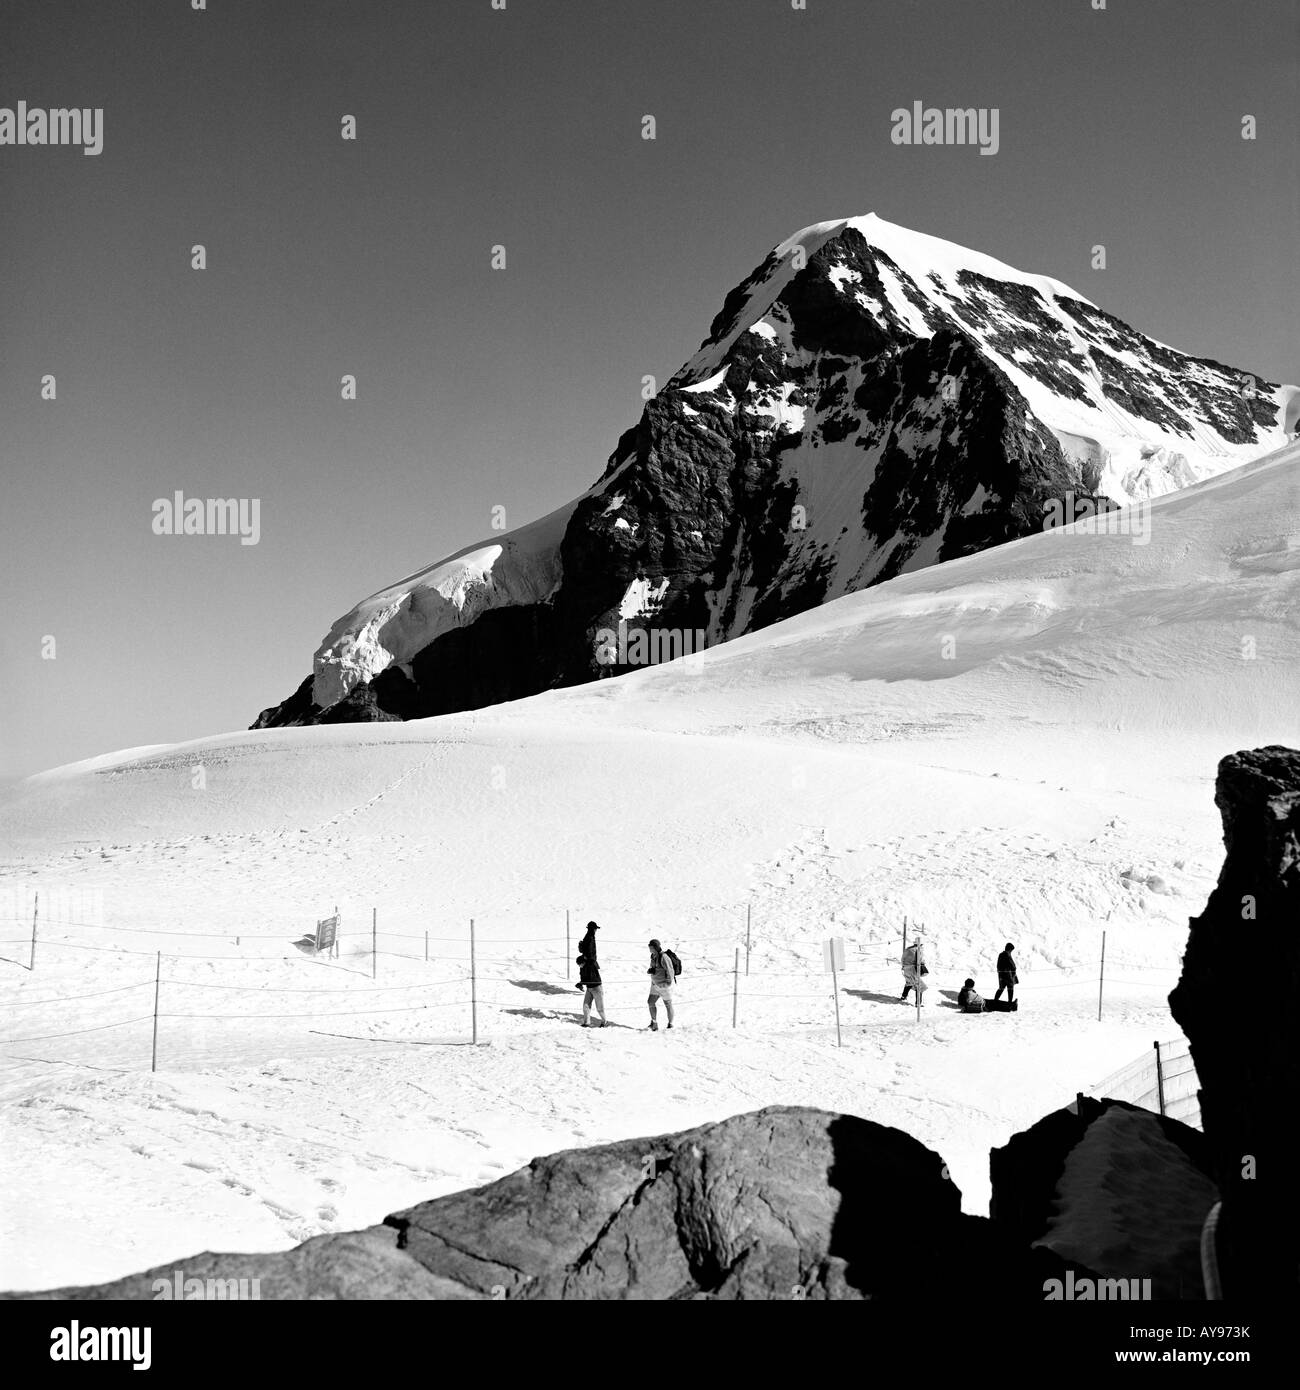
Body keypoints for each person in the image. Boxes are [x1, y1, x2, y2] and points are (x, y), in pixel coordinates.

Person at [576, 920, 607, 1027]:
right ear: (593, 929)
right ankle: (587, 1022)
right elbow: (591, 954)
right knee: (586, 1006)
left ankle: (604, 1021)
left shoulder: (587, 937)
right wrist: (581, 983)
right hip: (591, 987)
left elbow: (589, 975)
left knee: (599, 1008)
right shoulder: (590, 937)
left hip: (596, 987)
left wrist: (582, 982)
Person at [646, 938, 676, 1030]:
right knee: (650, 1002)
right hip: (655, 985)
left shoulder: (664, 957)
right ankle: (654, 1023)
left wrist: (667, 984)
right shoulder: (653, 956)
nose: (649, 949)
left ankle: (670, 1024)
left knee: (668, 1004)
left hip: (664, 986)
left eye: (650, 947)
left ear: (654, 947)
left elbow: (670, 972)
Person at [900, 938, 929, 1004]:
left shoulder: (908, 949)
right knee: (920, 986)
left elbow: (902, 959)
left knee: (909, 983)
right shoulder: (919, 950)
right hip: (913, 969)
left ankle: (903, 997)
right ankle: (918, 1003)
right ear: (920, 944)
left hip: (905, 969)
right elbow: (919, 961)